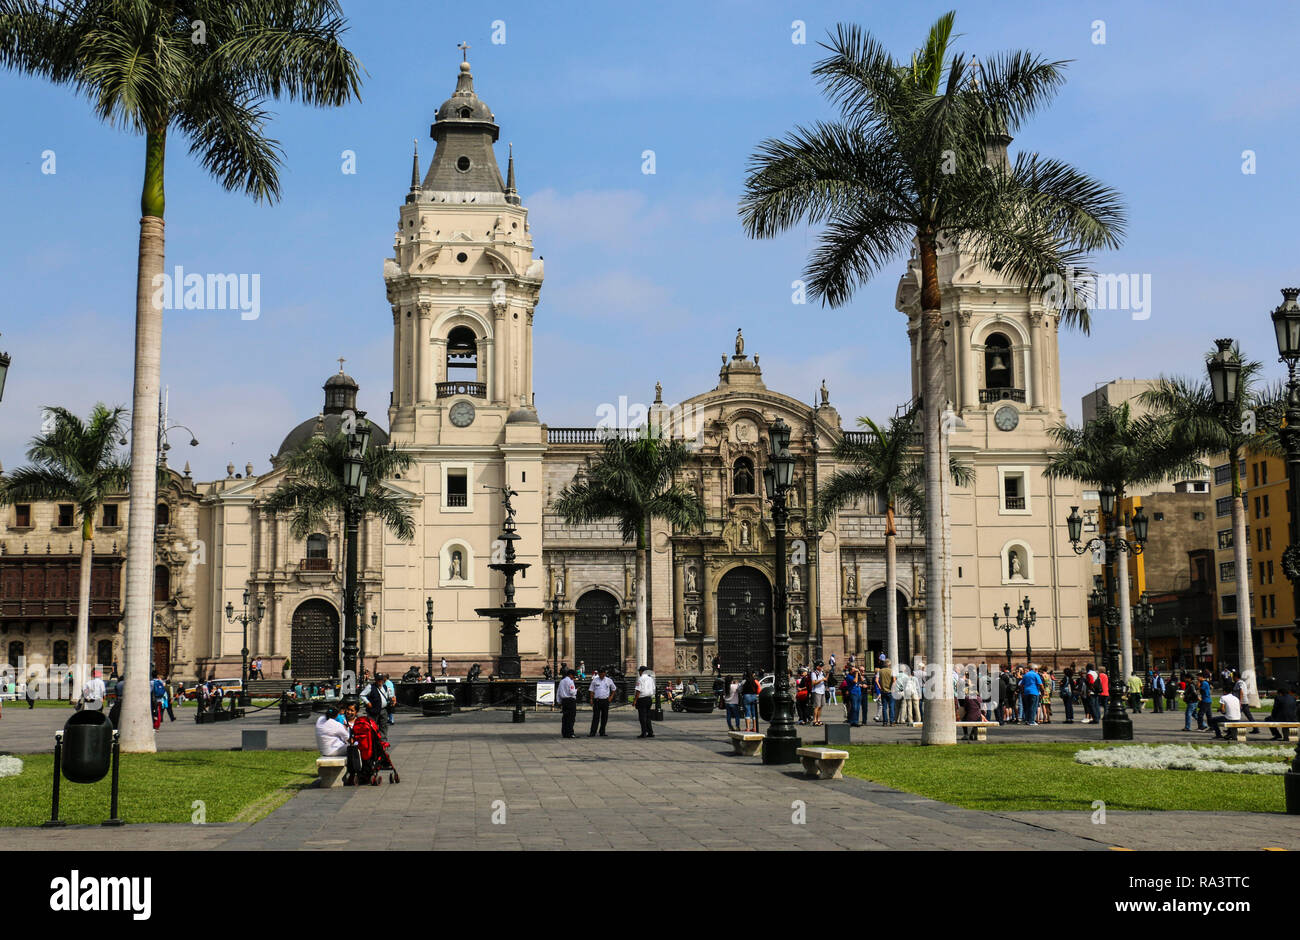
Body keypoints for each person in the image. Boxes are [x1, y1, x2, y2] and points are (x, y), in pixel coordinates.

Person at [588, 666, 616, 736]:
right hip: (597, 701)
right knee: (595, 717)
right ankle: (592, 732)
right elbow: (591, 690)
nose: (601, 675)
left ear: (605, 673)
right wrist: (591, 699)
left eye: (602, 674)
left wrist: (611, 697)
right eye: (600, 674)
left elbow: (614, 689)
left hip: (605, 701)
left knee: (604, 717)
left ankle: (602, 731)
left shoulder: (609, 680)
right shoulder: (595, 680)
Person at [635, 666, 656, 738]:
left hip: (642, 699)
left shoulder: (640, 679)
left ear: (642, 671)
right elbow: (653, 689)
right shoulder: (651, 679)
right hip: (649, 699)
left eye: (639, 671)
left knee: (642, 717)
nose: (639, 673)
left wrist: (635, 700)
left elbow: (638, 690)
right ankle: (650, 732)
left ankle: (643, 732)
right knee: (648, 716)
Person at [557, 668, 578, 737]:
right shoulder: (570, 681)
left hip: (564, 701)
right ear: (570, 675)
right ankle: (570, 733)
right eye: (573, 675)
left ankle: (564, 733)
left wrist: (559, 701)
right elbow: (572, 692)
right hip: (570, 700)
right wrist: (576, 690)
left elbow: (558, 692)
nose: (574, 677)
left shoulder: (562, 681)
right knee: (571, 717)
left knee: (565, 717)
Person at [877, 659, 895, 725]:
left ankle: (885, 722)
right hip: (890, 691)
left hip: (883, 691)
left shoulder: (880, 671)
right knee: (891, 707)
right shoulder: (892, 671)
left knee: (884, 707)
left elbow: (876, 680)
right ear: (889, 665)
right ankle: (892, 721)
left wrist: (880, 687)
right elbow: (894, 680)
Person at [809, 662, 826, 726]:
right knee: (816, 706)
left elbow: (825, 679)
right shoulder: (814, 673)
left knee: (821, 706)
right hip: (816, 691)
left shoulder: (822, 673)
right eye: (821, 666)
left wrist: (828, 674)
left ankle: (819, 719)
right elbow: (813, 682)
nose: (822, 667)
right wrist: (821, 680)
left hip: (822, 691)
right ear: (817, 667)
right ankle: (814, 720)